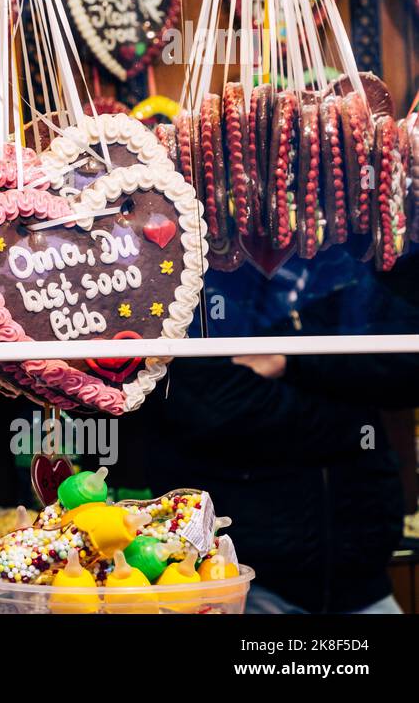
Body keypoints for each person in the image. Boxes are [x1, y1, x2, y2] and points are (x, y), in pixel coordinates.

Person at [135, 245, 419, 613]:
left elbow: (407, 365)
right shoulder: (186, 272)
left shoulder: (346, 261)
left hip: (363, 577)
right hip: (242, 581)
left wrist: (291, 358)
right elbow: (218, 407)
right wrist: (354, 413)